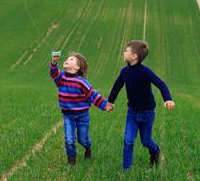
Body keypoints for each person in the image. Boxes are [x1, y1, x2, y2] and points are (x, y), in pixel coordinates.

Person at [108, 40, 175, 170]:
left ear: (134, 56)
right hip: (132, 112)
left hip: (147, 113)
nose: (124, 52)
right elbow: (117, 87)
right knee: (128, 140)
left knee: (145, 141)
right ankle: (126, 169)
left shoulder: (145, 72)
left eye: (126, 51)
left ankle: (155, 152)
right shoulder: (124, 72)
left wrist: (168, 99)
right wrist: (110, 102)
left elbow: (161, 84)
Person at [50, 51, 113, 165]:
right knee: (69, 140)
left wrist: (104, 105)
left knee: (82, 139)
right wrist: (54, 62)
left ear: (77, 67)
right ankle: (71, 161)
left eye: (71, 59)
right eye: (68, 58)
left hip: (82, 115)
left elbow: (93, 95)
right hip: (68, 115)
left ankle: (88, 147)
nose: (68, 60)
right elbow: (54, 73)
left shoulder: (82, 82)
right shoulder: (61, 77)